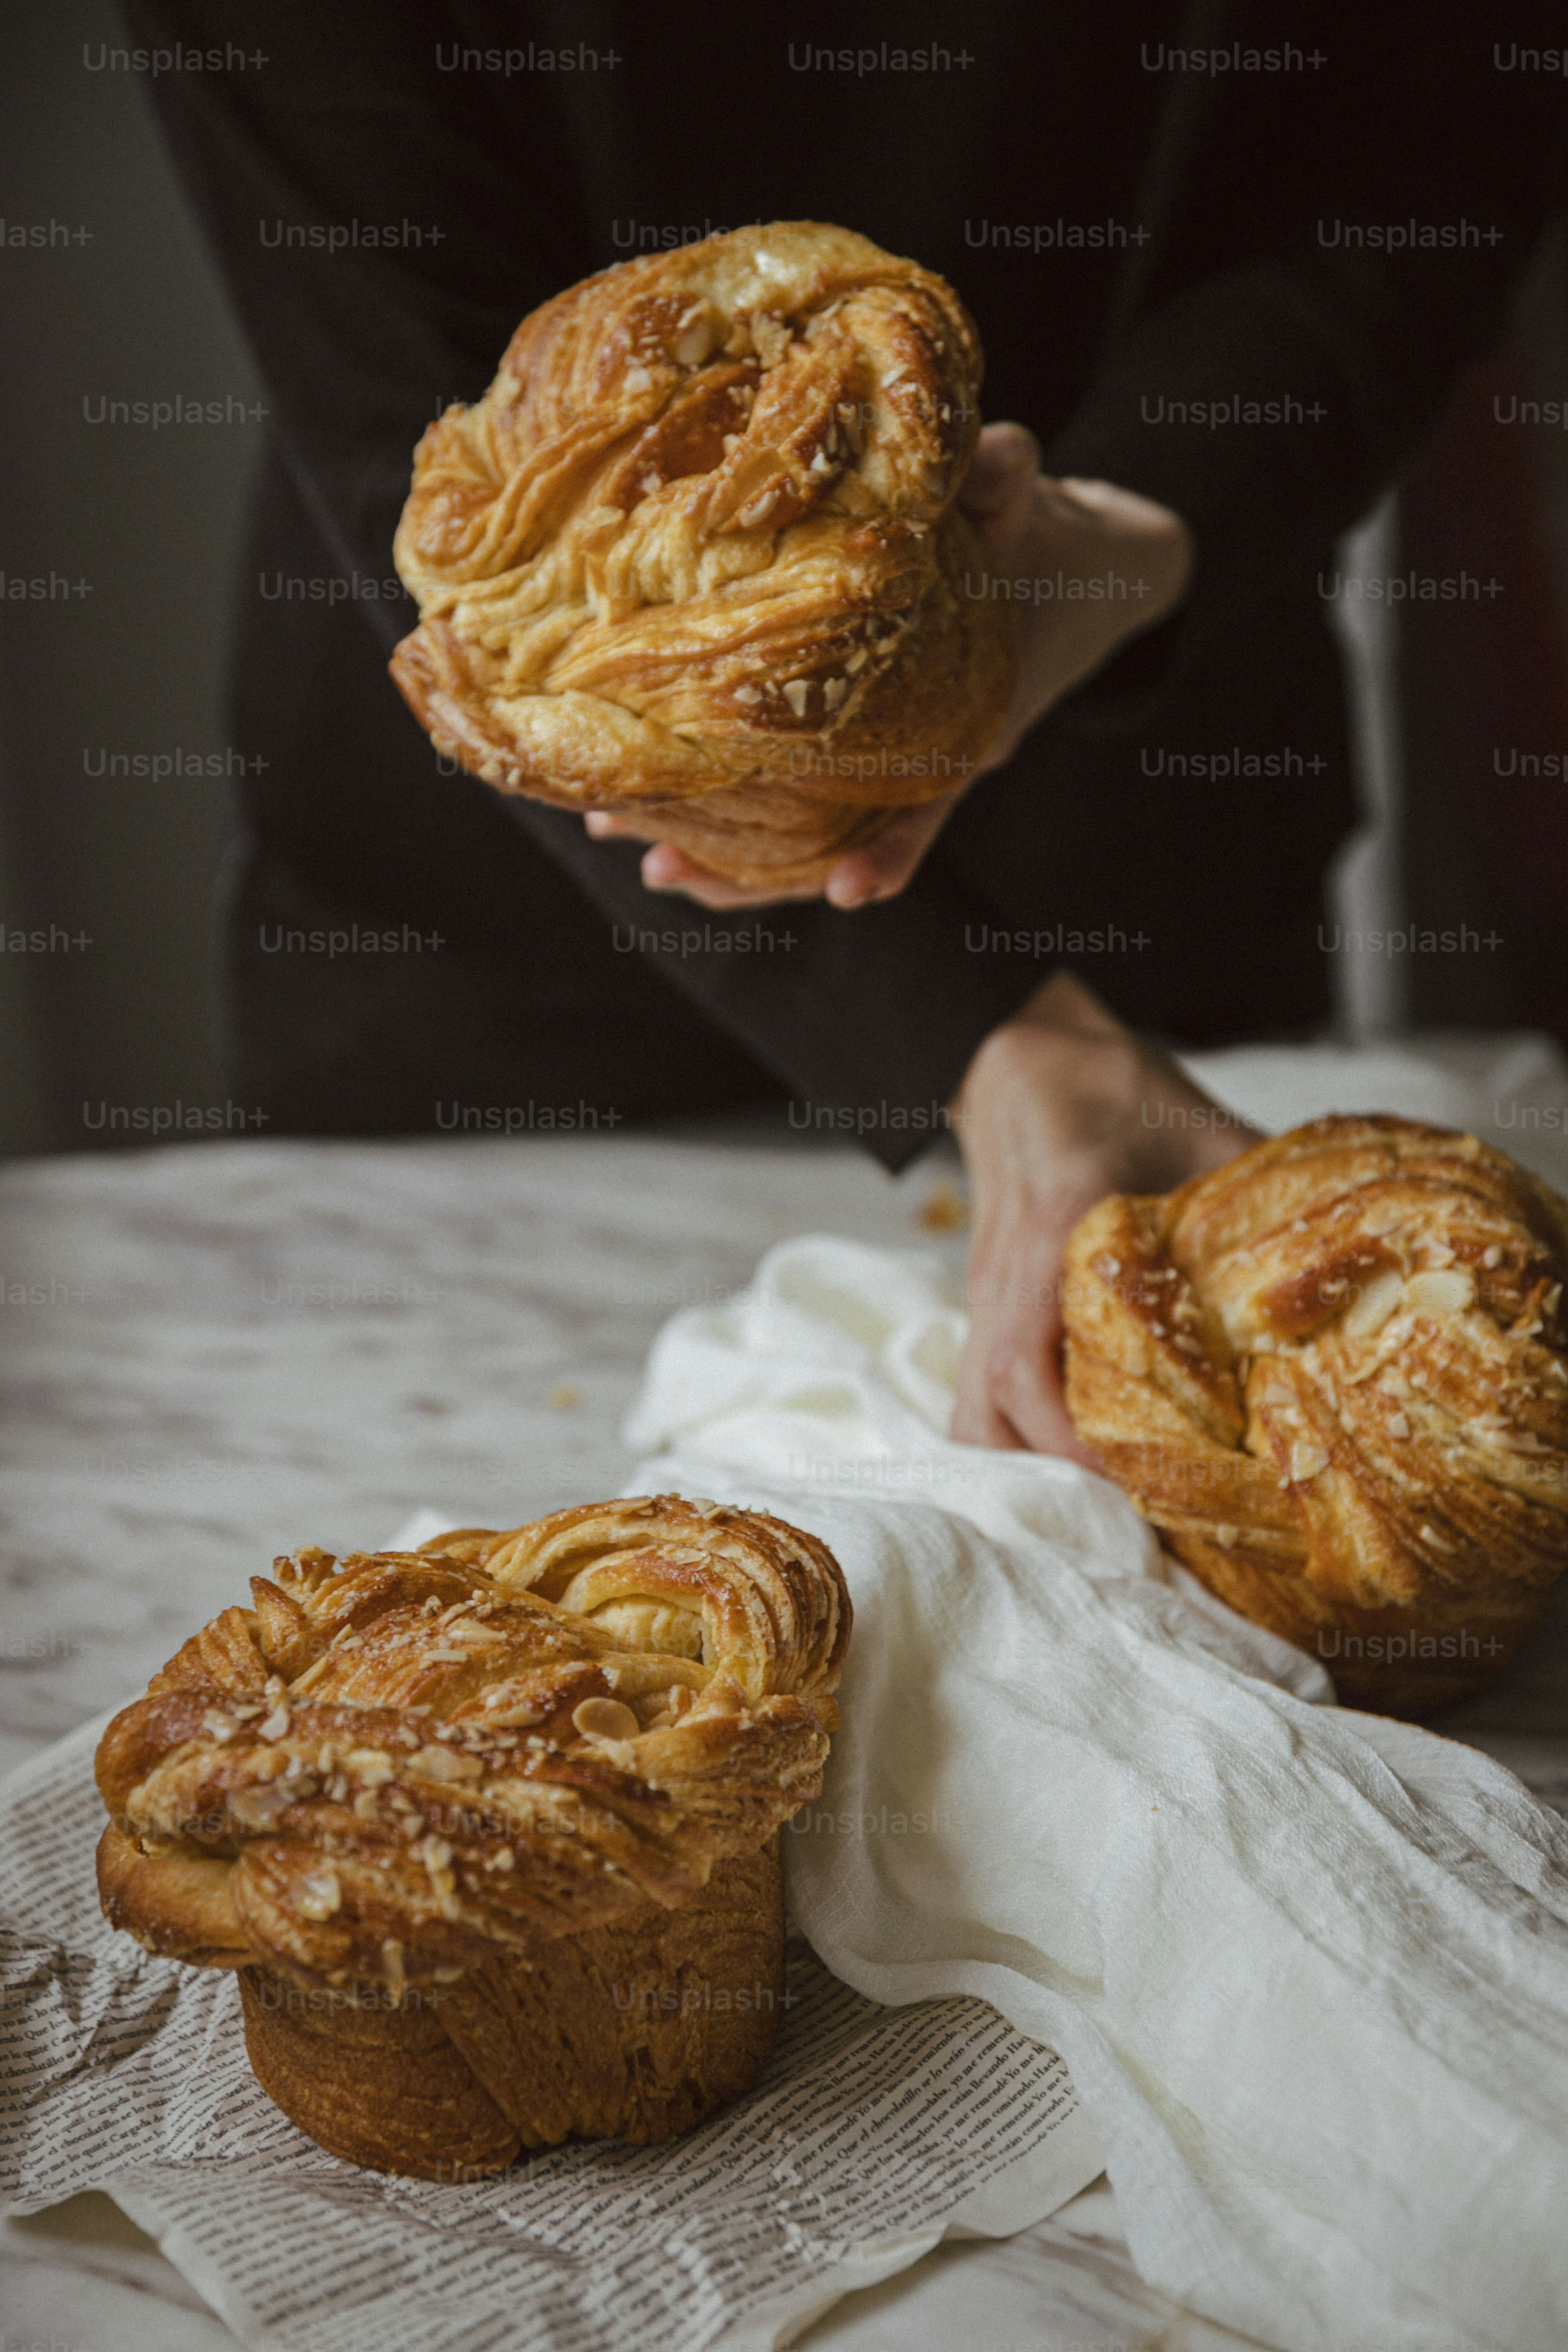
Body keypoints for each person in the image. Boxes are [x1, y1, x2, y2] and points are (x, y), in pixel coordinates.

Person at [128, 1, 1567, 1455]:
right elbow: (414, 418)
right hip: (501, 971)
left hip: (1155, 844)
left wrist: (1138, 528)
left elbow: (1440, 134)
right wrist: (987, 1028)